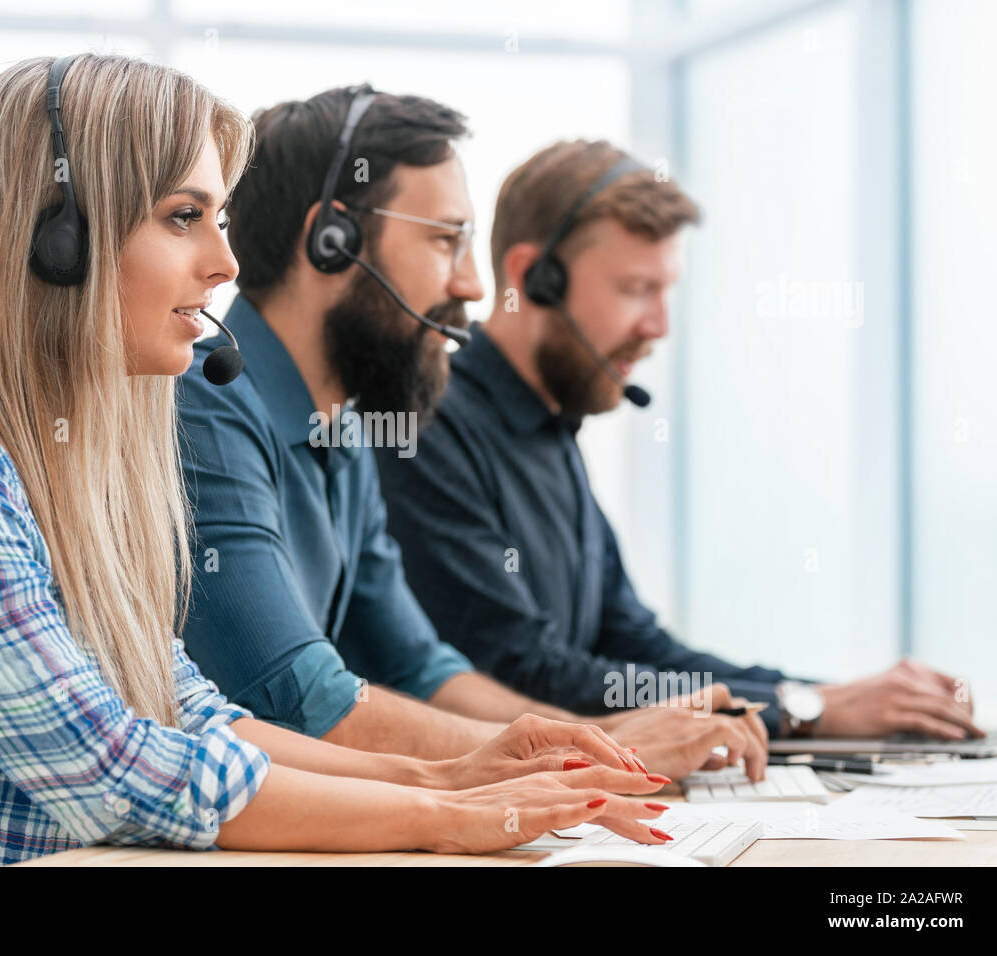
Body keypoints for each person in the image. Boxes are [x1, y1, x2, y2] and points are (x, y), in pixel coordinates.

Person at [0, 57, 669, 867]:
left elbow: (188, 711)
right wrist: (441, 814)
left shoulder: (90, 460)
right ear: (55, 242)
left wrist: (449, 773)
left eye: (220, 216)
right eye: (184, 216)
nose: (225, 260)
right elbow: (108, 770)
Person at [177, 85, 768, 782]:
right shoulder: (205, 405)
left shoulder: (347, 427)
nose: (472, 285)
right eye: (445, 240)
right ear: (332, 242)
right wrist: (583, 753)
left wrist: (608, 736)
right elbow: (303, 701)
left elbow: (420, 668)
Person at [374, 138, 983, 744]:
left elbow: (634, 644)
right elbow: (525, 670)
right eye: (636, 289)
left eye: (666, 291)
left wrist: (820, 697)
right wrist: (800, 712)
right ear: (534, 278)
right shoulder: (429, 427)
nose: (659, 327)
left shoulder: (549, 427)